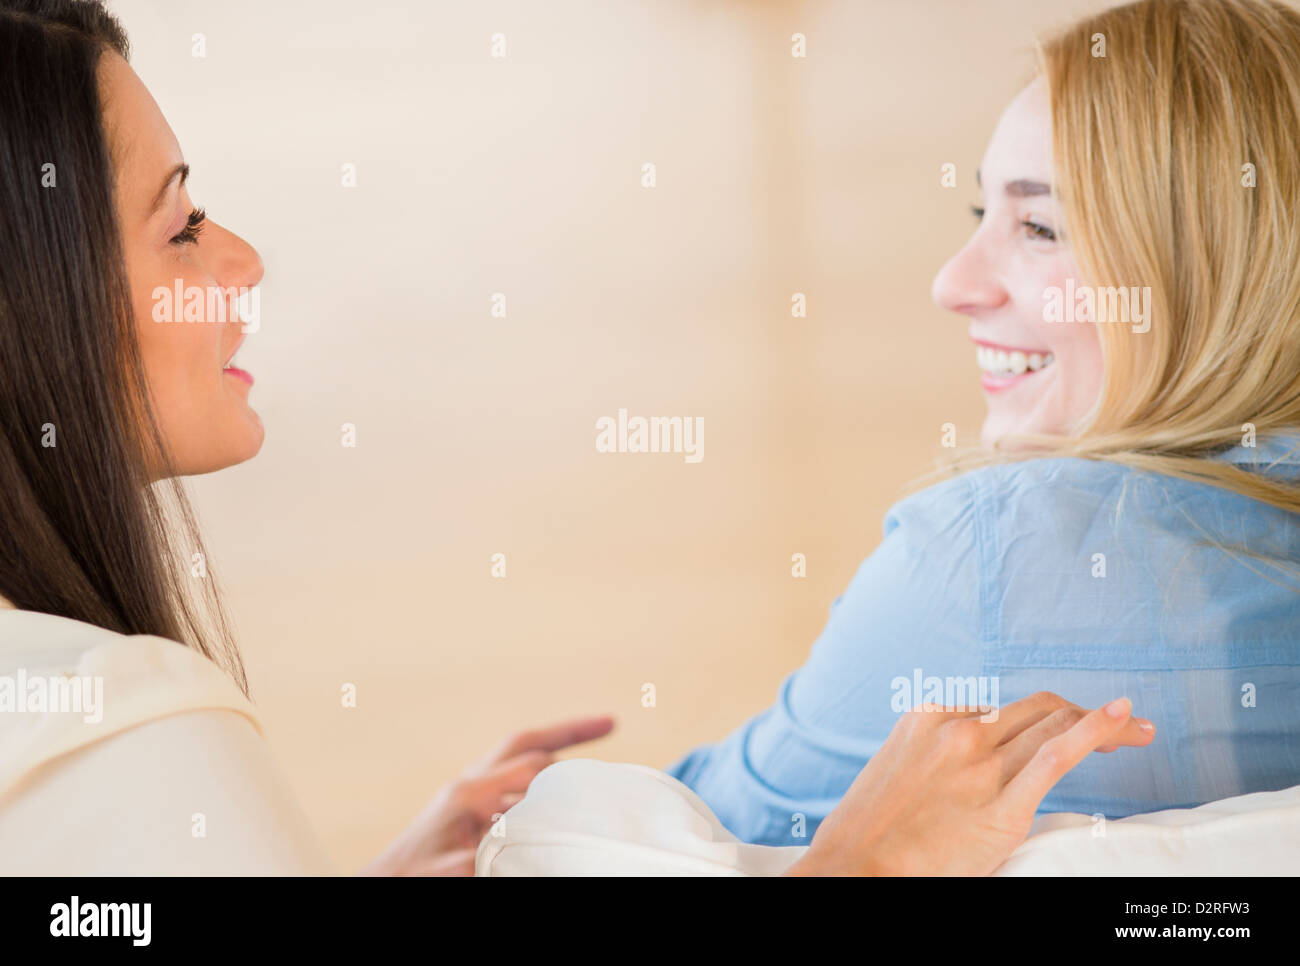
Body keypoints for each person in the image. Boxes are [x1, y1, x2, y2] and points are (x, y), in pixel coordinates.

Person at [0, 0, 1153, 876]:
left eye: (1038, 225)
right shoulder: (128, 732)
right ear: (37, 297)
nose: (241, 258)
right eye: (183, 225)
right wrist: (861, 863)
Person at [668, 0, 1300, 846]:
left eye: (1039, 226)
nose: (953, 283)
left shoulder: (992, 559)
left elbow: (698, 832)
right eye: (981, 217)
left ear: (1216, 265)